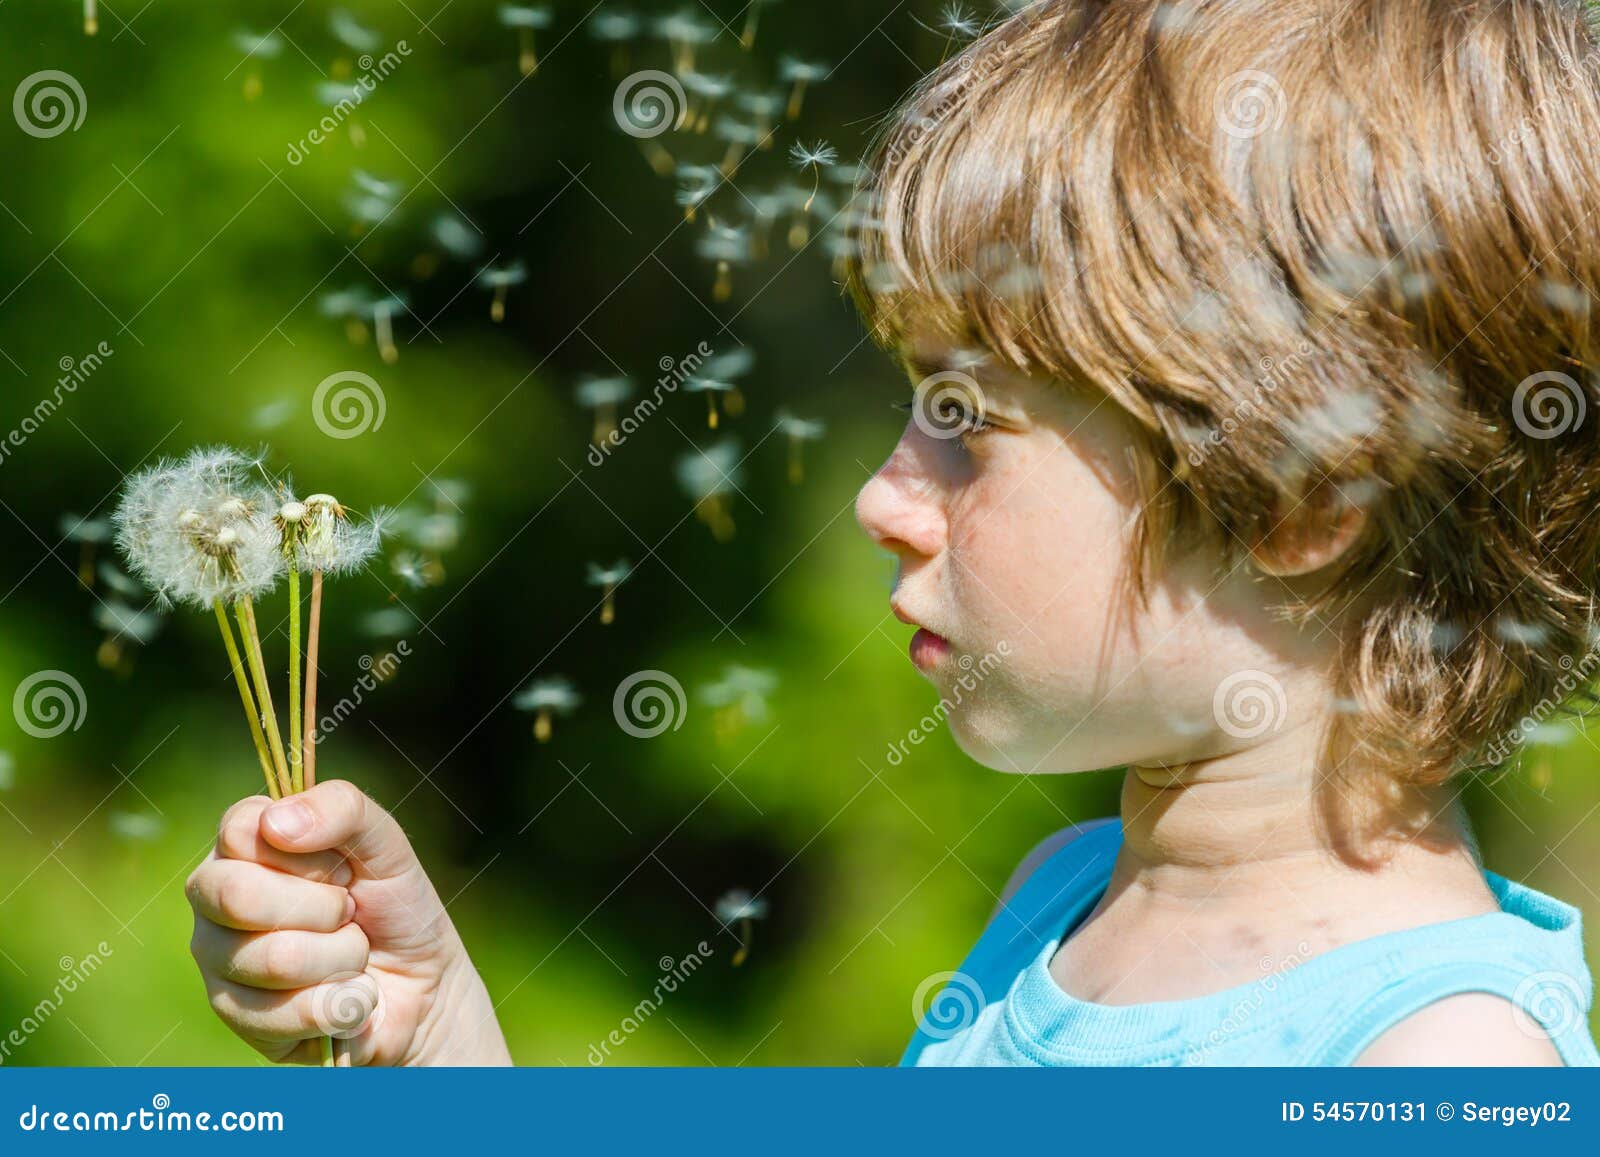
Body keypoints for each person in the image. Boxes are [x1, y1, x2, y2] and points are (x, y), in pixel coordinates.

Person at [186, 0, 1600, 1065]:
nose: (881, 492)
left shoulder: (1440, 1061)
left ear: (1298, 503)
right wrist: (443, 1052)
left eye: (968, 424)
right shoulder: (1064, 903)